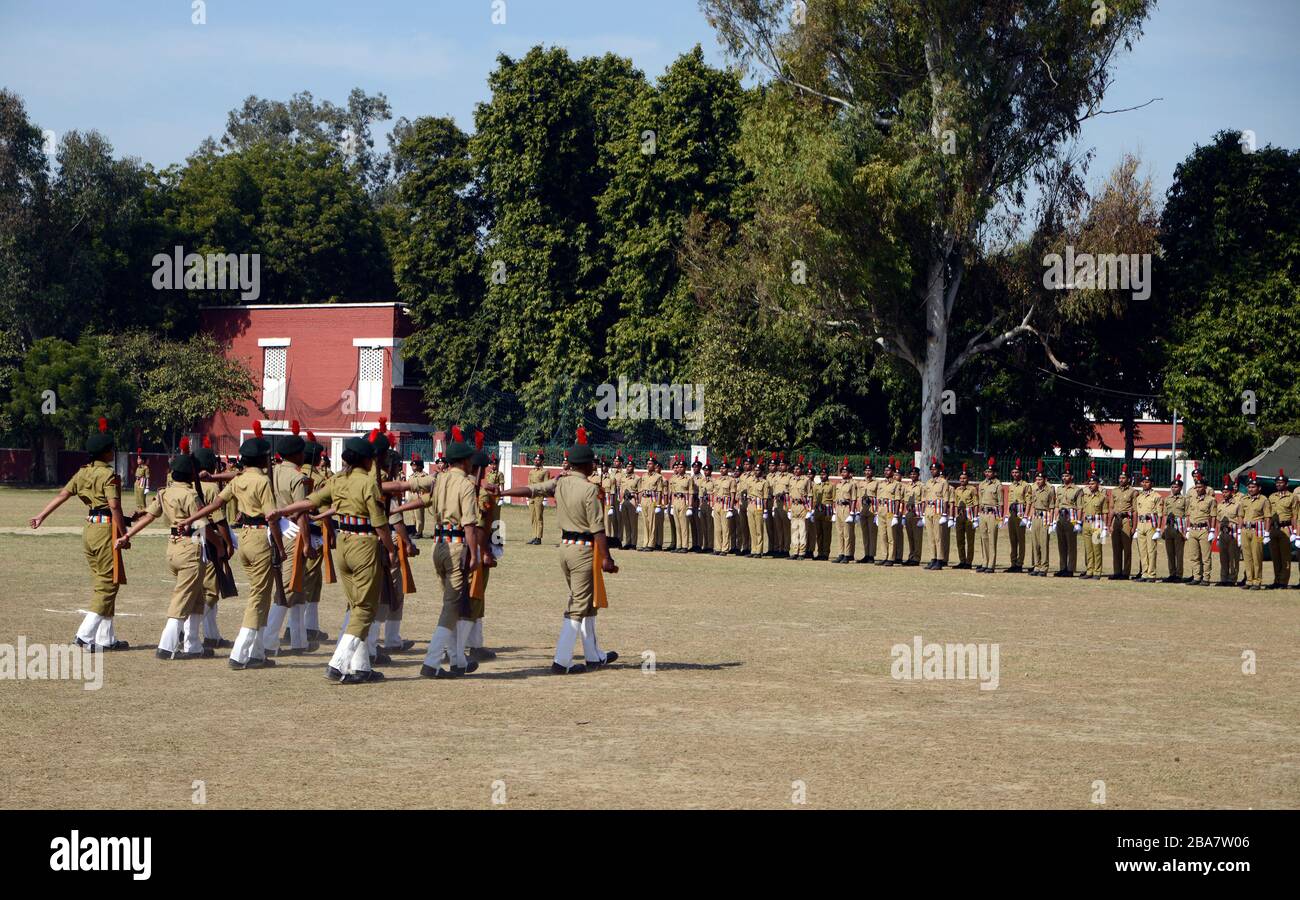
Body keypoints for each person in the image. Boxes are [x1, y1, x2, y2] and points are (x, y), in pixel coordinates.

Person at [269, 431, 399, 683]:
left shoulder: (338, 480)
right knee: (366, 608)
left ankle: (361, 666)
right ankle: (338, 663)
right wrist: (391, 550)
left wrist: (282, 511)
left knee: (355, 605)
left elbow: (310, 502)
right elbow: (380, 522)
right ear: (367, 460)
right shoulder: (367, 483)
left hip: (344, 545)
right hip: (364, 545)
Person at [493, 428, 618, 674]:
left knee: (587, 601)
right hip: (583, 550)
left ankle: (594, 655)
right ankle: (562, 661)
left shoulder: (560, 482)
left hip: (565, 548)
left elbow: (532, 490)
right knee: (578, 603)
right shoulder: (589, 489)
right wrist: (607, 558)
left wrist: (503, 492)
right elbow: (598, 529)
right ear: (587, 465)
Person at [179, 424, 278, 669]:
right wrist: (279, 544)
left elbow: (214, 506)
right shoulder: (263, 482)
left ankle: (257, 652)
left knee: (262, 595)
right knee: (258, 596)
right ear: (262, 458)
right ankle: (240, 653)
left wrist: (192, 519)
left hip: (244, 537)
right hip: (260, 537)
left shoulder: (240, 479)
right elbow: (272, 517)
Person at [31, 418, 130, 651]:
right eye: (111, 449)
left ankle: (106, 639)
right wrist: (124, 533)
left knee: (105, 581)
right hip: (106, 529)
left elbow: (62, 496)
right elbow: (113, 506)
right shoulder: (108, 475)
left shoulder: (82, 473)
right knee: (108, 584)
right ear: (106, 453)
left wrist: (41, 516)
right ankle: (84, 636)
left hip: (90, 529)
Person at [116, 447, 215, 660]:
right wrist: (222, 545)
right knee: (182, 598)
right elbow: (202, 524)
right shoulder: (190, 495)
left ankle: (193, 645)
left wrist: (127, 535)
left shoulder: (164, 492)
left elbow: (148, 518)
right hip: (191, 548)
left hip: (173, 548)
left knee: (197, 597)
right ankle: (167, 646)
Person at [1239, 471, 1271, 591]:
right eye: (1249, 487)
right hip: (1245, 530)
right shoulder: (1244, 499)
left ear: (1259, 488)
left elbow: (1268, 517)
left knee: (1256, 556)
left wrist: (1267, 533)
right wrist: (1239, 531)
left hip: (1258, 529)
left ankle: (1257, 581)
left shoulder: (1264, 500)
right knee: (1247, 557)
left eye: (1253, 487)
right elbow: (1240, 516)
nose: (1251, 489)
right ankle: (1249, 580)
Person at [1185, 469, 1217, 586]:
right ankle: (1197, 577)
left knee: (1206, 556)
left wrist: (1212, 531)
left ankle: (1206, 578)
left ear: (1204, 487)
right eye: (1196, 487)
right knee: (1194, 556)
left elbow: (1213, 516)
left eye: (1200, 487)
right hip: (1193, 529)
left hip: (1204, 530)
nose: (1197, 489)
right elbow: (1188, 514)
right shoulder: (1192, 499)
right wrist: (1187, 529)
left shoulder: (1211, 500)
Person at [1133, 467, 1164, 583]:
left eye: (1147, 482)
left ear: (1151, 483)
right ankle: (1144, 573)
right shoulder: (1139, 496)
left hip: (1151, 524)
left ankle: (1151, 574)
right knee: (1142, 550)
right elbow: (1137, 512)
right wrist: (1136, 528)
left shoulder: (1157, 496)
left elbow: (1160, 514)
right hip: (1141, 524)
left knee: (1151, 550)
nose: (1145, 484)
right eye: (1143, 482)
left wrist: (1158, 529)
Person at [1106, 464, 1136, 581]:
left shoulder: (1133, 492)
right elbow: (1111, 509)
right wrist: (1109, 524)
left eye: (1123, 478)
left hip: (1126, 520)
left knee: (1127, 548)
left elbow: (1134, 511)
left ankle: (1125, 572)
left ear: (1128, 479)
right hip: (1116, 521)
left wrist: (1134, 527)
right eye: (1120, 478)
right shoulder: (1114, 491)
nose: (1121, 480)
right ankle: (1117, 571)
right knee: (1116, 547)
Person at [1027, 460, 1056, 577]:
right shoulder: (1034, 490)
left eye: (1040, 480)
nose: (1038, 482)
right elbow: (1033, 505)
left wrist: (1051, 522)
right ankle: (1036, 566)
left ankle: (1044, 567)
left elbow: (1052, 507)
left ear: (1045, 479)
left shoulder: (1049, 490)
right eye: (1036, 480)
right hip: (1035, 517)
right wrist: (1029, 519)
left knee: (1044, 543)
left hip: (1045, 516)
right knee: (1035, 543)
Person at [1055, 462, 1084, 577]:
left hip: (1071, 518)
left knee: (1071, 545)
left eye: (1067, 476)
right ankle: (1062, 567)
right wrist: (1054, 520)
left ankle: (1070, 569)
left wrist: (1078, 522)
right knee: (1061, 544)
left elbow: (1079, 507)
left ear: (1071, 477)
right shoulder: (1060, 489)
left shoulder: (1077, 490)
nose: (1064, 478)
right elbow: (1057, 505)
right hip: (1061, 518)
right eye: (1063, 476)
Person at [922, 458, 951, 569]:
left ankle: (939, 560)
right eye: (931, 469)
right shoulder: (928, 482)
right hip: (928, 510)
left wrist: (944, 514)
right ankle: (933, 558)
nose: (933, 471)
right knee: (930, 537)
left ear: (939, 470)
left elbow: (945, 499)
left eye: (935, 469)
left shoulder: (943, 482)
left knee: (938, 536)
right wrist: (923, 513)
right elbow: (925, 498)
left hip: (938, 511)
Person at [1268, 470, 1295, 589]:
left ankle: (1283, 582)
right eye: (1277, 482)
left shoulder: (1292, 497)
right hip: (1274, 528)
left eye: (1281, 482)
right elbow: (1268, 514)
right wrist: (1266, 531)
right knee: (1275, 556)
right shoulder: (1272, 497)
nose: (1278, 484)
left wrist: (1294, 531)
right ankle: (1276, 580)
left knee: (1285, 557)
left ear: (1286, 484)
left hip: (1286, 528)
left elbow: (1295, 515)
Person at [1079, 466, 1107, 580]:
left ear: (1097, 484)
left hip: (1097, 524)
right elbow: (1082, 510)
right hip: (1086, 524)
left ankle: (1097, 571)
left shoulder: (1102, 497)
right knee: (1088, 549)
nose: (1090, 485)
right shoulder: (1085, 496)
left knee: (1097, 549)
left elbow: (1105, 512)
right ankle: (1089, 570)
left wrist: (1105, 527)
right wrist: (1079, 522)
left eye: (1093, 483)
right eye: (1089, 483)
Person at [1215, 476, 1243, 587]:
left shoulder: (1237, 504)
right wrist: (1217, 536)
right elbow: (1218, 521)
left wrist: (1240, 533)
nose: (1224, 493)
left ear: (1231, 492)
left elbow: (1240, 518)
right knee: (1223, 558)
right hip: (1223, 534)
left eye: (1226, 491)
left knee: (1233, 558)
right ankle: (1223, 578)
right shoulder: (1220, 504)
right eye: (1223, 491)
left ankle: (1232, 579)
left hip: (1233, 534)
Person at [1005, 459, 1031, 573]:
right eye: (1013, 472)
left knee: (1021, 540)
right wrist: (1006, 515)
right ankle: (1013, 563)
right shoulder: (1011, 486)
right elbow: (1009, 501)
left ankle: (1019, 564)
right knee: (1013, 540)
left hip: (1021, 515)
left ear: (1021, 473)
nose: (1015, 474)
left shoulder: (1026, 485)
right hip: (1012, 515)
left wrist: (1026, 517)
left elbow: (1029, 502)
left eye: (1017, 472)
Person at [976, 458, 1000, 573]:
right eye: (986, 472)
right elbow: (980, 500)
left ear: (995, 473)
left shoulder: (998, 485)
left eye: (990, 472)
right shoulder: (982, 484)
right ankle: (985, 562)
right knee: (983, 538)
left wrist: (999, 519)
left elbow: (1000, 503)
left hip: (993, 514)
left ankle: (991, 564)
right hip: (983, 513)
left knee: (992, 539)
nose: (987, 474)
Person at [1162, 474, 1188, 584]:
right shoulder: (1167, 499)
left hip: (1179, 529)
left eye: (1176, 487)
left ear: (1181, 488)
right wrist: (1163, 528)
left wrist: (1186, 531)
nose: (1174, 489)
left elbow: (1187, 515)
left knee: (1179, 553)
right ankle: (1171, 573)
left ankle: (1179, 574)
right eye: (1172, 487)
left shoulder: (1184, 499)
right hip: (1169, 527)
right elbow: (1164, 514)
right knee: (1170, 553)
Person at [951, 464, 977, 569]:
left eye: (964, 478)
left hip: (969, 516)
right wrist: (954, 517)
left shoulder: (972, 489)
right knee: (959, 539)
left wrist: (975, 518)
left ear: (968, 479)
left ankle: (968, 562)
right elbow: (956, 504)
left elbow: (976, 504)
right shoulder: (957, 490)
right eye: (961, 478)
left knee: (970, 540)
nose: (962, 480)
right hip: (960, 516)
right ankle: (962, 560)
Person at [787, 459, 813, 560]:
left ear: (802, 469)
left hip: (803, 506)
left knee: (802, 530)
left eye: (798, 469)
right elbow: (789, 495)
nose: (796, 471)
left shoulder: (806, 480)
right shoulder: (791, 480)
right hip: (794, 506)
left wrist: (809, 510)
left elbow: (810, 495)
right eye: (794, 469)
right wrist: (789, 509)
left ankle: (802, 552)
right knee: (794, 530)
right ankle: (794, 552)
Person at [407, 454, 435, 539]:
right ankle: (413, 530)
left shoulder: (424, 475)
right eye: (412, 465)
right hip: (411, 496)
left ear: (420, 466)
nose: (413, 467)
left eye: (415, 465)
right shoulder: (411, 476)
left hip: (419, 497)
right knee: (412, 516)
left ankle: (419, 532)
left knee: (419, 515)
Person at [712, 458, 736, 556]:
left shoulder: (731, 480)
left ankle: (725, 548)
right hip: (717, 504)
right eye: (721, 468)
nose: (722, 470)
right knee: (717, 528)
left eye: (724, 468)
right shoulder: (717, 480)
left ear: (728, 469)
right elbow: (714, 494)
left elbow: (733, 495)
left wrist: (730, 508)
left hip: (726, 504)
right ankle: (717, 547)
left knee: (725, 528)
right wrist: (713, 507)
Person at [857, 459, 878, 564]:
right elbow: (858, 497)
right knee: (865, 534)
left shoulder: (876, 483)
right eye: (866, 470)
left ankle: (871, 555)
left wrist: (877, 512)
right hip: (863, 510)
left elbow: (879, 498)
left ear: (873, 472)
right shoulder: (860, 483)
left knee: (872, 533)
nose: (868, 472)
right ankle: (866, 554)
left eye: (870, 470)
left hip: (872, 510)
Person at [902, 464, 923, 566]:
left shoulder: (921, 486)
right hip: (908, 513)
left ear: (918, 475)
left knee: (917, 537)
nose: (913, 475)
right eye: (911, 474)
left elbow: (924, 501)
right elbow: (904, 501)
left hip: (917, 514)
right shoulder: (907, 486)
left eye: (914, 474)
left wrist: (922, 516)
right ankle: (911, 556)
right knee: (910, 536)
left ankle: (916, 558)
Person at [527, 449, 548, 544]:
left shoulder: (545, 472)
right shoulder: (531, 471)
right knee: (533, 517)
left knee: (539, 517)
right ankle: (534, 536)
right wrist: (527, 496)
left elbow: (547, 485)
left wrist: (545, 498)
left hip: (539, 496)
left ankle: (539, 537)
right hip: (531, 496)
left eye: (538, 460)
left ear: (542, 461)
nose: (536, 461)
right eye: (535, 460)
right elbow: (529, 484)